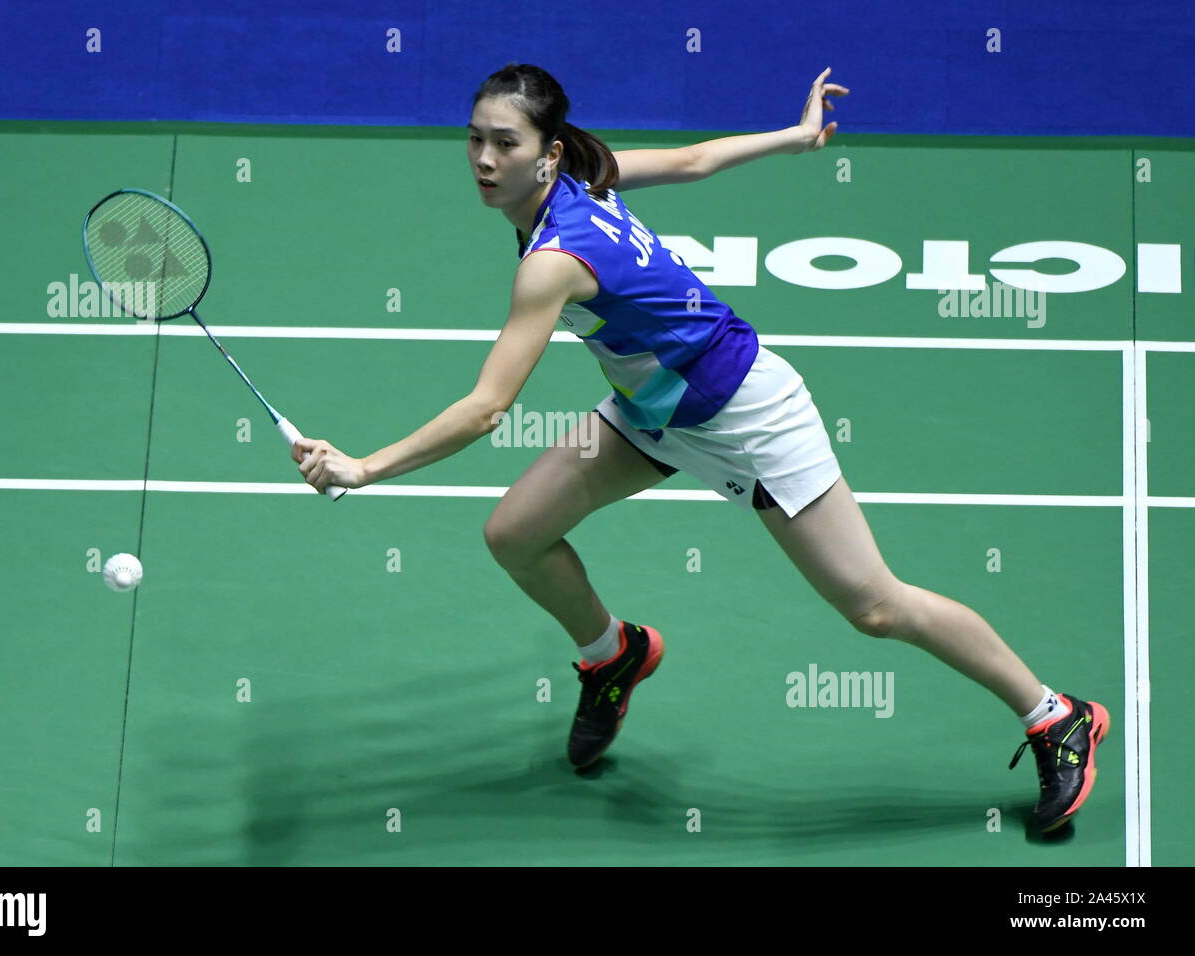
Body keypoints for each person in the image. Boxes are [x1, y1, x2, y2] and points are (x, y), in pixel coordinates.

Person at [293, 62, 1108, 834]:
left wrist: (365, 467)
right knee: (514, 533)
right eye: (474, 137)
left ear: (547, 154)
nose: (481, 158)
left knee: (875, 606)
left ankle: (1055, 716)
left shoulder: (551, 260)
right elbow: (692, 160)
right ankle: (612, 656)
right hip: (656, 410)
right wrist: (793, 137)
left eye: (504, 143)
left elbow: (485, 408)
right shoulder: (582, 176)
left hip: (751, 414)